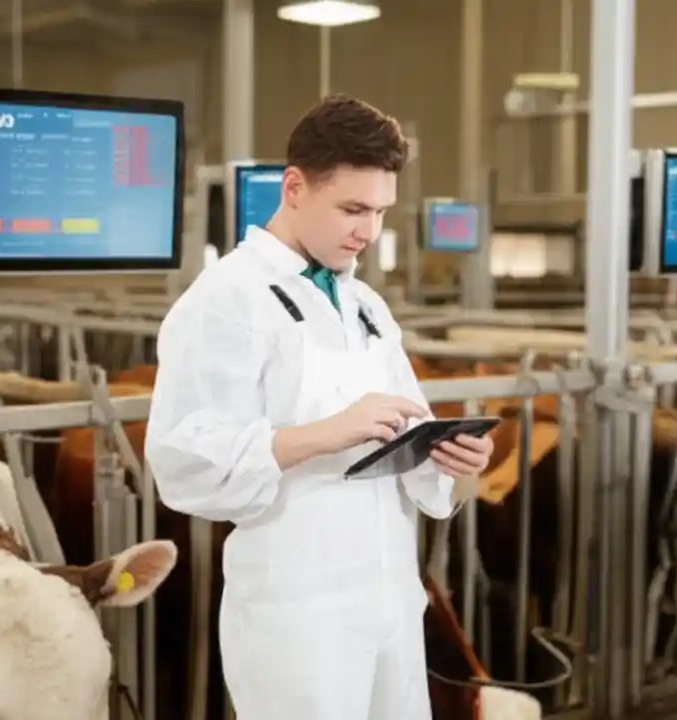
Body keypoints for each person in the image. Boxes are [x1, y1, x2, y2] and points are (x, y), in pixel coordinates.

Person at [145, 94, 495, 720]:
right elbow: (183, 459)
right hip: (297, 617)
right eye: (352, 209)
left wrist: (454, 457)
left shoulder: (363, 303)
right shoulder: (224, 299)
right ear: (295, 187)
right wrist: (325, 433)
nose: (368, 231)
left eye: (381, 211)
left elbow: (411, 441)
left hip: (389, 600)